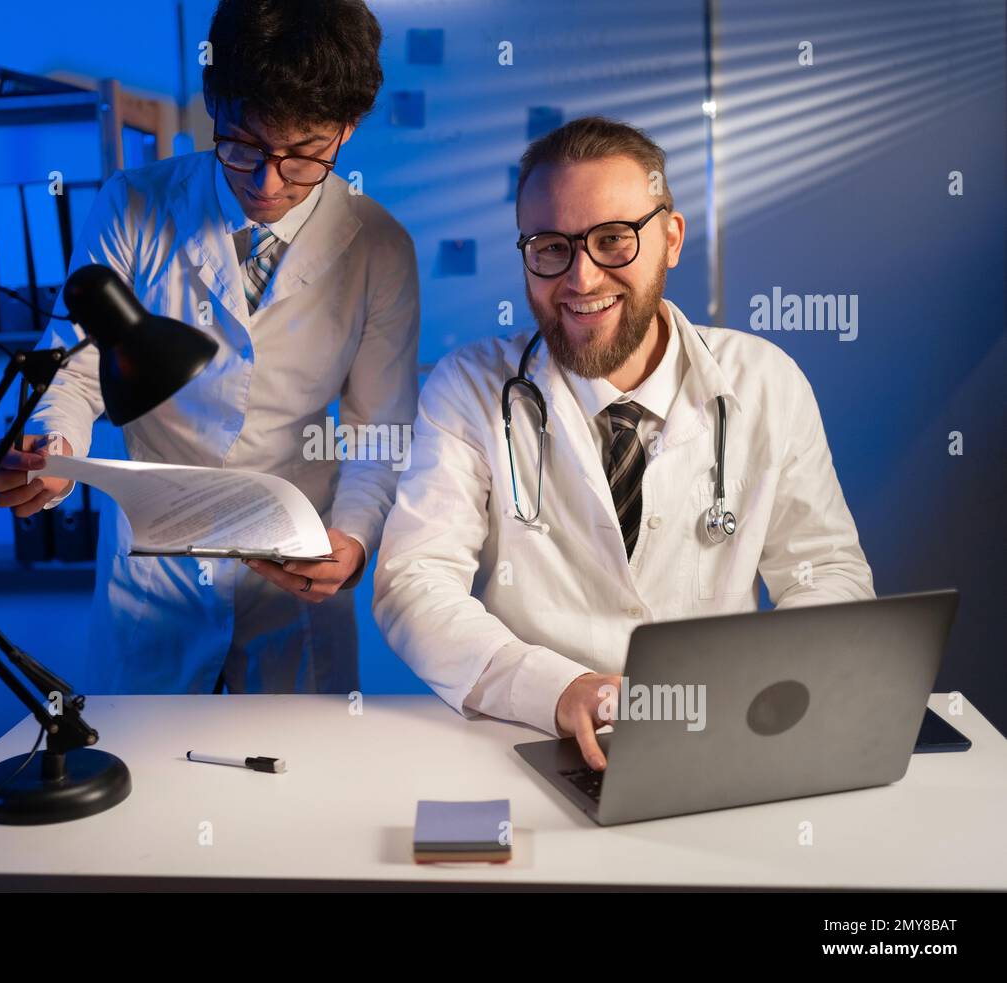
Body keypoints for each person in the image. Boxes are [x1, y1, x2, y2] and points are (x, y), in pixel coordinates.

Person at [373, 115, 873, 769]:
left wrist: (766, 683)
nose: (581, 279)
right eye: (552, 246)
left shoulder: (765, 382)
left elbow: (827, 572)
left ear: (670, 238)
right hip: (528, 741)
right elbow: (416, 580)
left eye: (613, 239)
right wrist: (558, 689)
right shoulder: (470, 388)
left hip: (724, 742)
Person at [0, 0, 419, 695]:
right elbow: (74, 370)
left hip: (291, 577)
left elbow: (379, 431)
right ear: (213, 100)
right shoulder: (135, 204)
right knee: (144, 780)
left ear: (347, 129)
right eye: (244, 144)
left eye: (305, 154)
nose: (267, 182)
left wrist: (354, 539)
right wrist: (54, 455)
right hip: (155, 574)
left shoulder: (380, 246)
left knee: (298, 787)